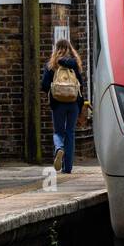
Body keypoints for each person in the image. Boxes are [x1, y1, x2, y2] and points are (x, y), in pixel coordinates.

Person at [41, 39, 85, 173]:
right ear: (70, 48)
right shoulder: (75, 64)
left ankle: (59, 148)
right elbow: (81, 84)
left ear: (56, 48)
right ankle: (68, 168)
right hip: (73, 103)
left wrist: (53, 92)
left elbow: (44, 85)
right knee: (70, 133)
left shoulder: (51, 65)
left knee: (58, 132)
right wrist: (80, 103)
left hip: (58, 103)